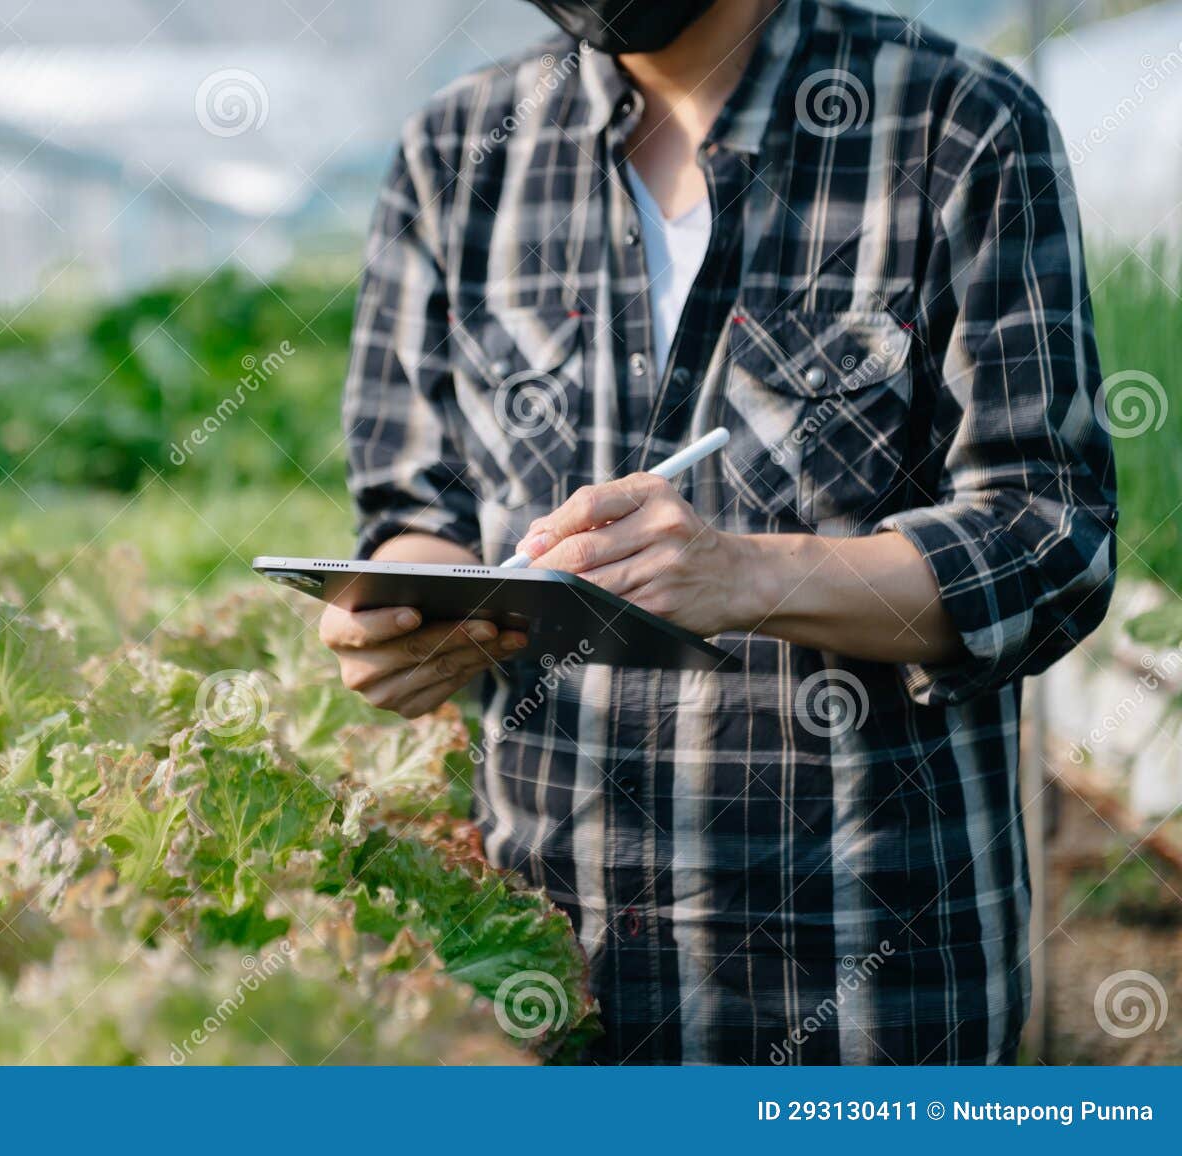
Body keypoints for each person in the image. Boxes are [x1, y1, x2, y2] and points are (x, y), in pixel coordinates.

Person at [322, 0, 1117, 1064]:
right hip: (545, 969)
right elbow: (414, 506)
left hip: (865, 973)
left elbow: (1048, 537)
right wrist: (411, 607)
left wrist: (749, 573)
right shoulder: (456, 153)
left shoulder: (958, 126)